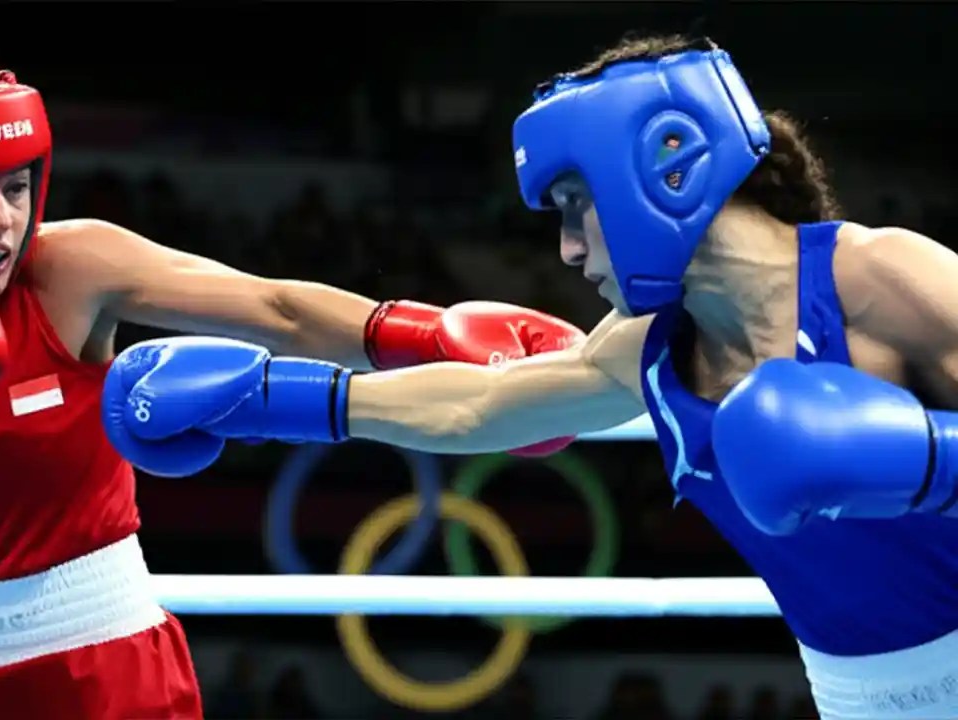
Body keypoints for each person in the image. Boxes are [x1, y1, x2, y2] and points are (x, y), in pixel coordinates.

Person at [103, 34, 958, 718]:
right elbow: (479, 403)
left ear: (661, 169)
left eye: (577, 205)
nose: (570, 251)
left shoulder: (878, 281)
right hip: (856, 695)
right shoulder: (649, 346)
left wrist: (929, 462)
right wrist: (266, 397)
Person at [0, 49, 585, 720]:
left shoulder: (69, 270)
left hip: (111, 675)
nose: (2, 221)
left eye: (14, 188)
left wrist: (426, 333)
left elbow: (274, 308)